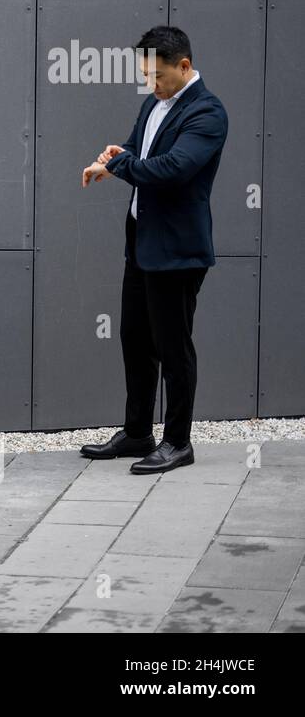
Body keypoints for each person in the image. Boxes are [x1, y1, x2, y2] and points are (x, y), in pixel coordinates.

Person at [80, 25, 228, 474]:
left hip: (178, 251)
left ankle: (179, 442)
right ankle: (138, 432)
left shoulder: (208, 112)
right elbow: (138, 150)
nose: (150, 83)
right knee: (135, 340)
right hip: (142, 244)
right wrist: (116, 157)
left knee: (173, 347)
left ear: (184, 66)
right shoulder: (154, 104)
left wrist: (124, 164)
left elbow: (174, 168)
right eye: (146, 74)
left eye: (158, 75)